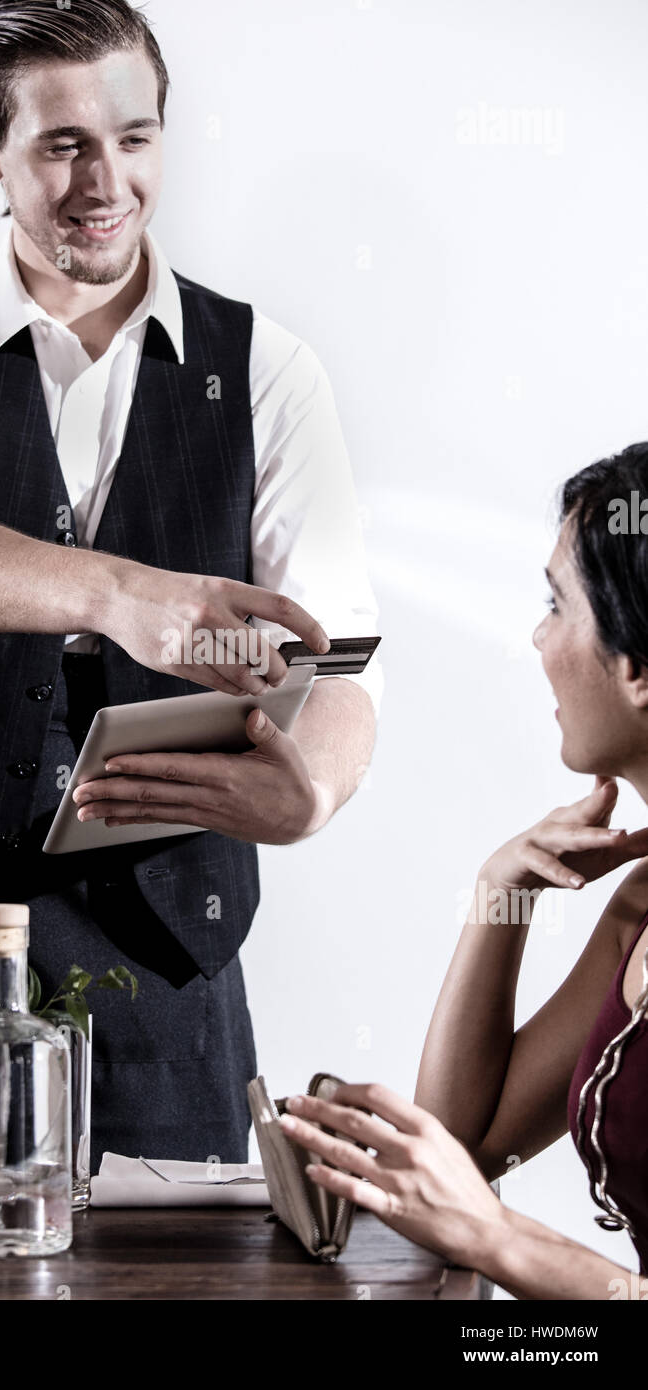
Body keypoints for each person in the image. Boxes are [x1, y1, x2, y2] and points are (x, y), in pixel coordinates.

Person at [0, 0, 380, 1171]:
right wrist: (124, 596)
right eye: (62, 145)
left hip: (164, 960)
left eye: (135, 139)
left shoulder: (266, 368)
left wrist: (313, 792)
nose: (104, 182)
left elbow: (340, 660)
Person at [281, 442, 648, 1299]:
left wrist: (502, 1241)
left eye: (556, 604)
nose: (536, 634)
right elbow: (467, 1148)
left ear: (636, 669)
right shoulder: (641, 903)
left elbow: (471, 1209)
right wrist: (499, 899)